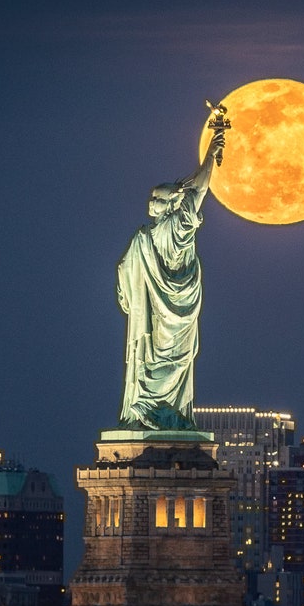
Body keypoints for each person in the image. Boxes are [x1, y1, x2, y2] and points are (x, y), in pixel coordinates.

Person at [115, 128, 225, 430]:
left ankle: (155, 409)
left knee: (164, 361)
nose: (151, 204)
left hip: (159, 317)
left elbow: (198, 192)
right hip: (171, 314)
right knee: (166, 361)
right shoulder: (146, 236)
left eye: (158, 199)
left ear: (172, 205)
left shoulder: (171, 229)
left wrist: (209, 159)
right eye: (151, 199)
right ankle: (155, 409)